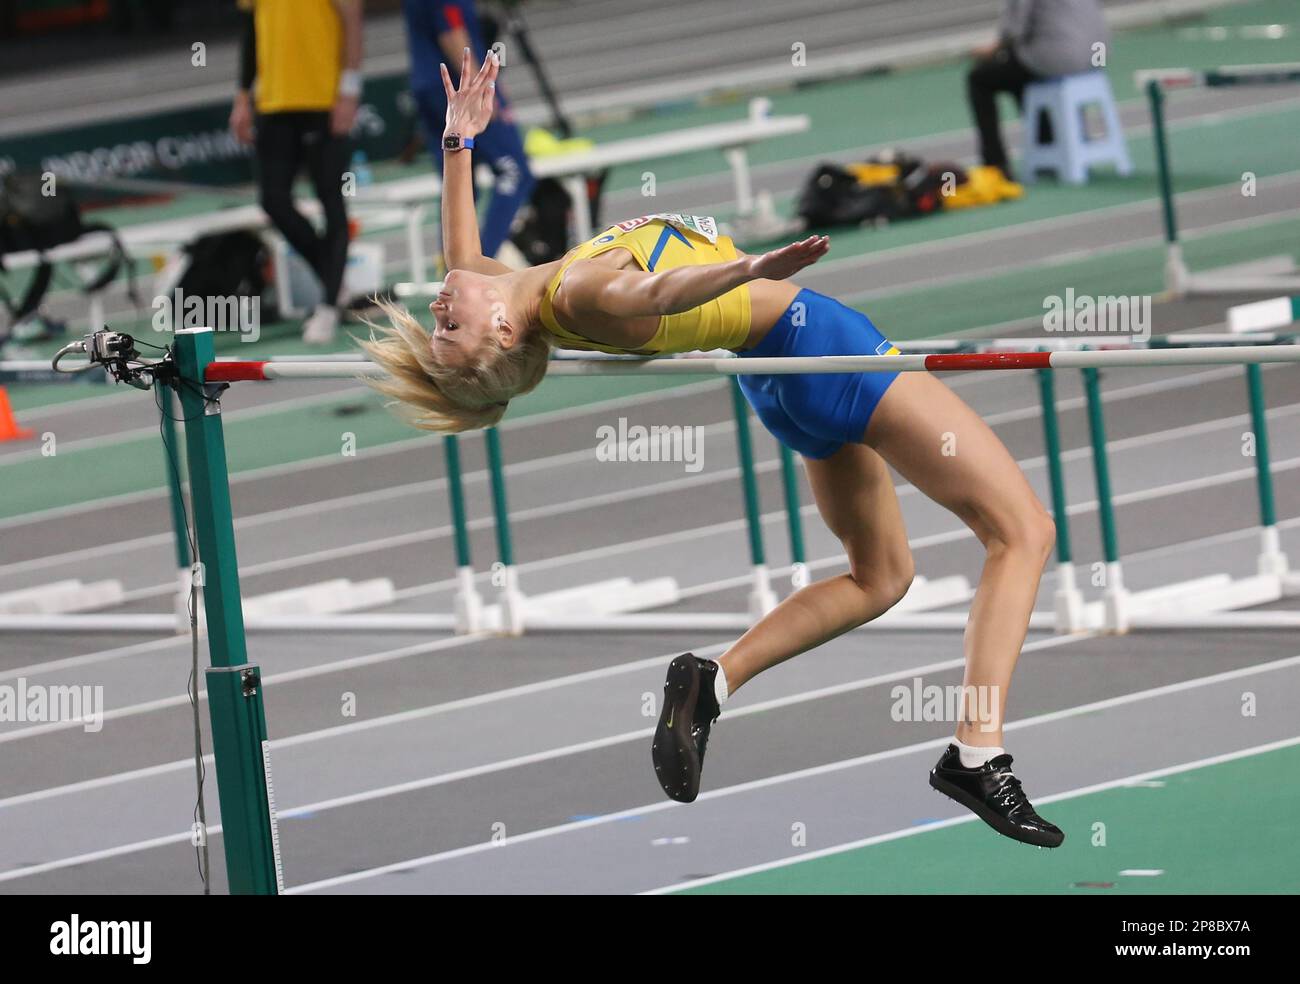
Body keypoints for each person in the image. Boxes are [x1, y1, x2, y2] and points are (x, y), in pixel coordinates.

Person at [365, 51, 1064, 848]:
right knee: (1023, 532)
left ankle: (715, 680)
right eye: (448, 323)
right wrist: (747, 269)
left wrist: (459, 146)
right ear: (497, 332)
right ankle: (978, 752)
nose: (440, 298)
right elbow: (654, 293)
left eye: (438, 315)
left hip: (772, 382)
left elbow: (461, 256)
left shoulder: (523, 295)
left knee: (882, 576)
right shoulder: (578, 295)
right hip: (817, 346)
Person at [230, 0, 365, 344]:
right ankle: (333, 281)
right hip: (274, 101)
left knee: (330, 201)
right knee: (273, 200)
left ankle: (328, 306)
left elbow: (352, 17)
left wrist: (349, 89)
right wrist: (243, 97)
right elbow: (250, 31)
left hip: (323, 97)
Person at [401, 0, 535, 262]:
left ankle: (455, 274)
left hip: (429, 85)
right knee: (515, 172)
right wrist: (481, 86)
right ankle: (479, 267)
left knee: (458, 183)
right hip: (456, 88)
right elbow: (450, 27)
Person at [967, 0, 1110, 179]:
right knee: (1017, 71)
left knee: (980, 78)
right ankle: (1047, 142)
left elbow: (1014, 30)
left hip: (1059, 57)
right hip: (1097, 56)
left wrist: (990, 50)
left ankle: (995, 163)